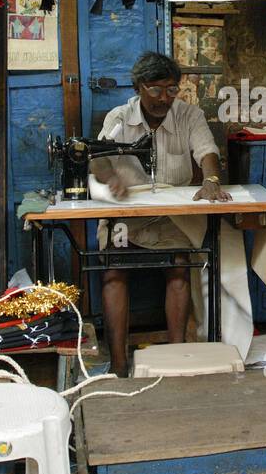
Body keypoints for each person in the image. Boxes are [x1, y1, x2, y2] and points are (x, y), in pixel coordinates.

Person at [91, 51, 229, 376]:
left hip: (172, 216)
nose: (164, 98)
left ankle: (176, 355)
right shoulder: (119, 118)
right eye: (155, 89)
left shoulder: (189, 116)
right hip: (129, 218)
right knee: (113, 272)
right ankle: (119, 362)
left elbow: (208, 152)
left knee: (179, 270)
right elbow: (97, 157)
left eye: (171, 89)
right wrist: (111, 178)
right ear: (138, 87)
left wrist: (210, 180)